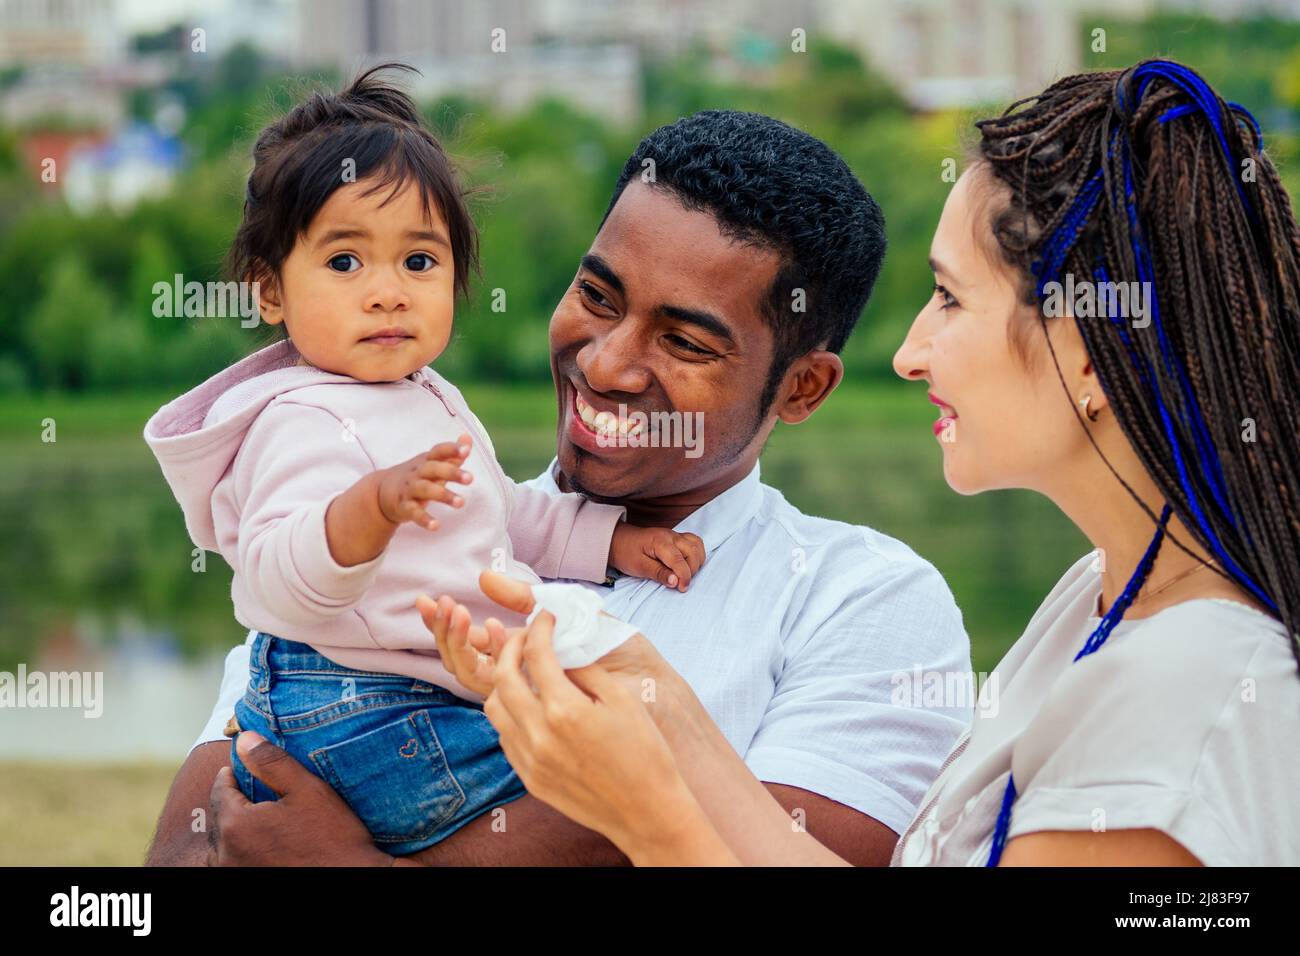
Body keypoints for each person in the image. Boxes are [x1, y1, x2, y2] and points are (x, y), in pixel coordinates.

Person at [346, 58, 1300, 866]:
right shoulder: (1095, 601)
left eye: (949, 299)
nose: (911, 351)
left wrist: (651, 820)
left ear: (1083, 351)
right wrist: (657, 700)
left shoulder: (1185, 689)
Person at [150, 108, 972, 867]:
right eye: (597, 296)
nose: (607, 363)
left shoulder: (859, 601)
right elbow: (200, 840)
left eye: (684, 341)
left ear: (803, 390)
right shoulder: (402, 539)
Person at [142, 64, 704, 858]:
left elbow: (503, 515)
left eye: (419, 262)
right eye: (344, 263)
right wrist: (367, 510)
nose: (387, 292)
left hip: (410, 694)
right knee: (601, 800)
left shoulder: (424, 394)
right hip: (359, 706)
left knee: (606, 782)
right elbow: (271, 576)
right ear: (270, 292)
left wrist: (610, 542)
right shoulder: (301, 418)